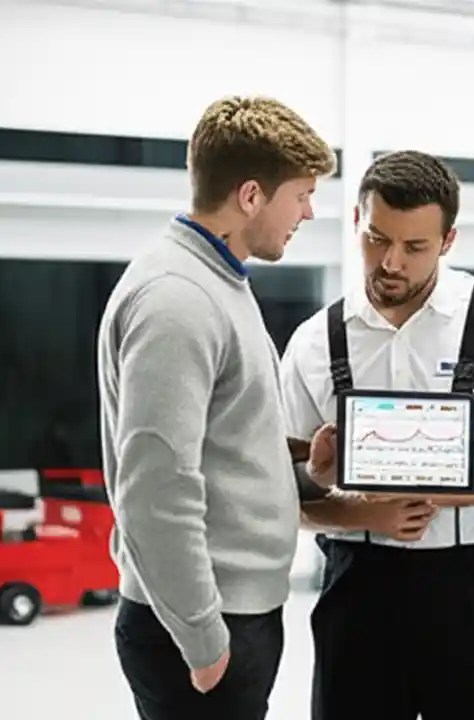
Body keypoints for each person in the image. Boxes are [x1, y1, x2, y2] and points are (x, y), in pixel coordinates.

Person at [280, 150, 474, 720]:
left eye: (414, 247)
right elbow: (278, 490)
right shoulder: (315, 341)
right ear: (357, 224)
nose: (390, 262)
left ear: (448, 240)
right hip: (358, 586)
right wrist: (344, 498)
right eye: (376, 239)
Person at [96, 95, 337, 720]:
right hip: (202, 628)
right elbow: (155, 486)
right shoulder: (178, 299)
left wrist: (312, 473)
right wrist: (202, 640)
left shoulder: (218, 280)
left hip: (231, 613)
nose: (309, 211)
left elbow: (225, 450)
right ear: (251, 195)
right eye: (302, 194)